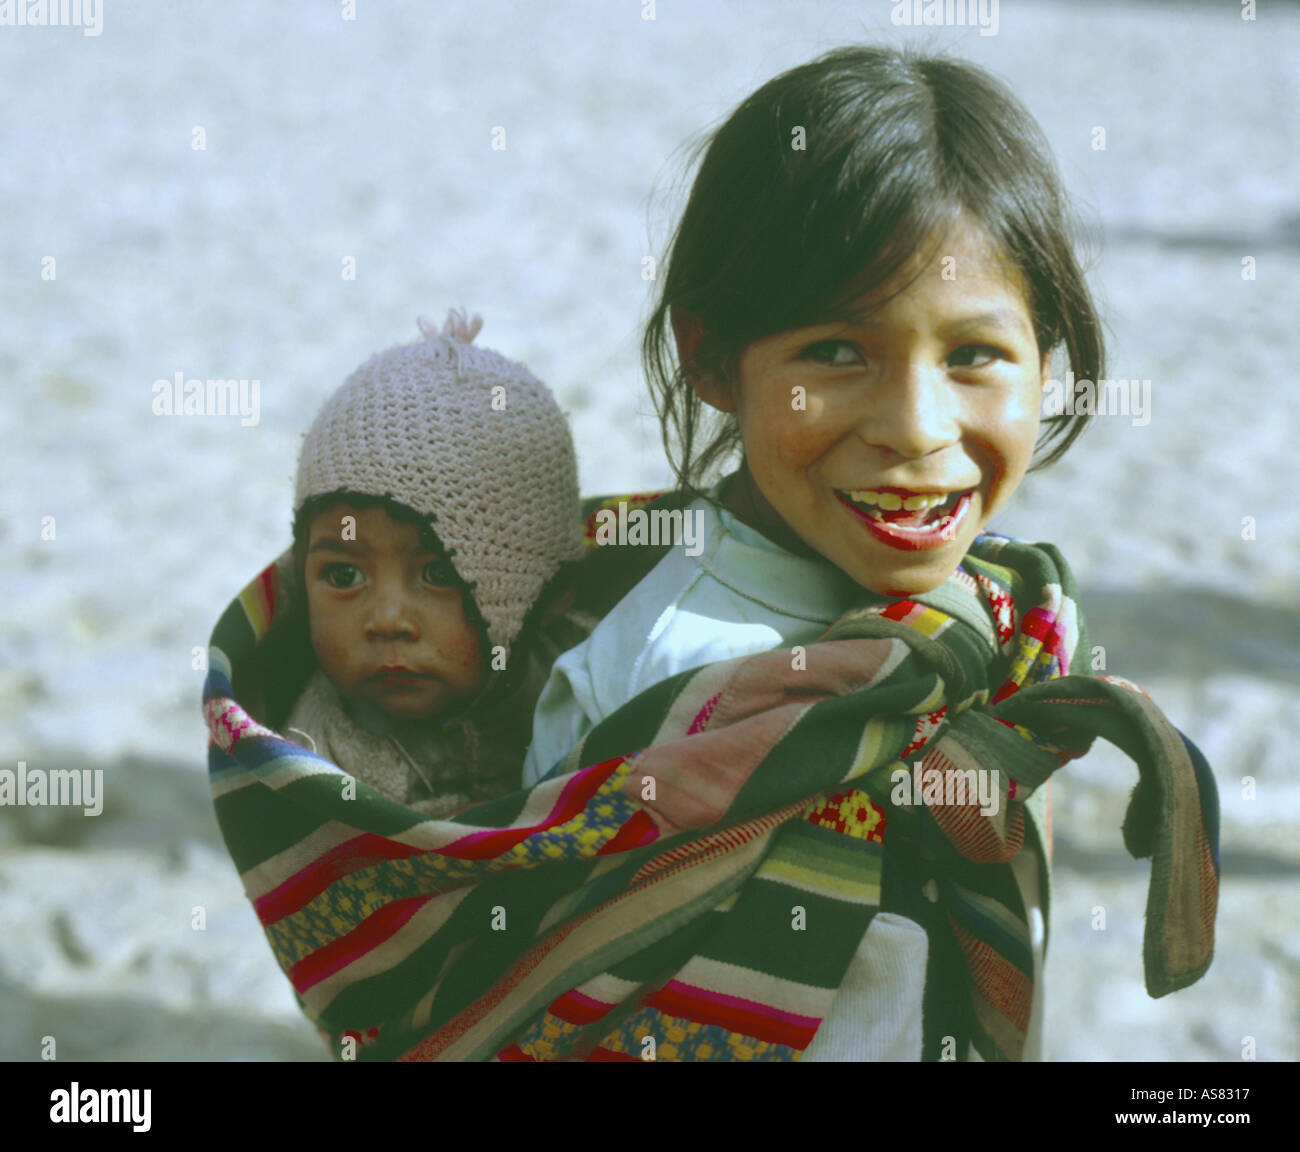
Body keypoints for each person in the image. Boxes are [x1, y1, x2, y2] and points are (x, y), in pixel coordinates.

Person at [522, 44, 1111, 1060]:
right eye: (836, 352)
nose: (916, 428)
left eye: (974, 356)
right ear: (707, 357)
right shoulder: (673, 675)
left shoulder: (1004, 632)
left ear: (1046, 362)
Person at [280, 309, 593, 817]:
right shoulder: (314, 758)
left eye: (441, 573)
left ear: (550, 593)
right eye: (343, 575)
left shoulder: (595, 681)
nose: (387, 621)